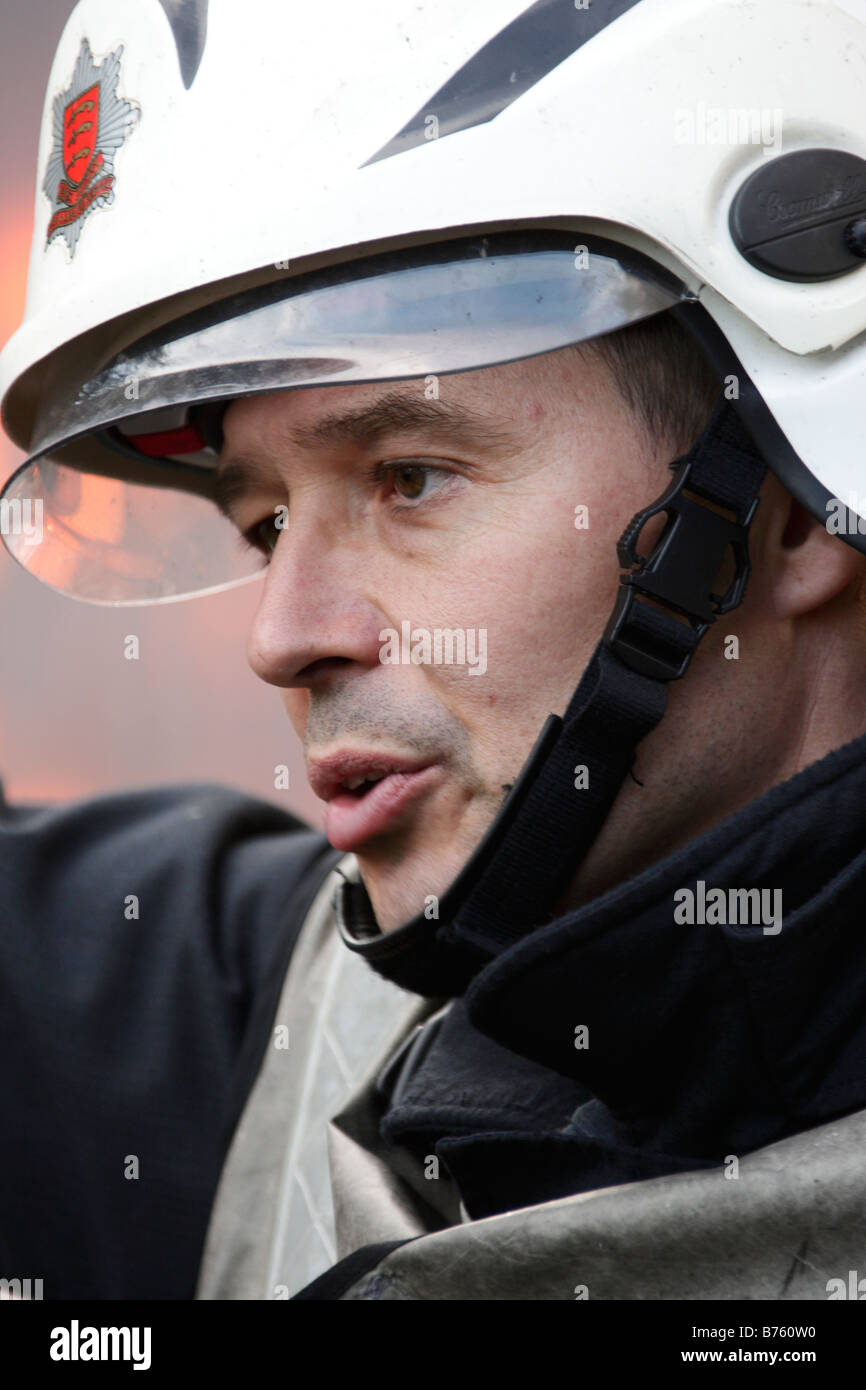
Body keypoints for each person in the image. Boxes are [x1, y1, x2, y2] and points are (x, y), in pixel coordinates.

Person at [2, 0, 866, 1301]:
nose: (281, 637)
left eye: (408, 476)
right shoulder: (224, 1033)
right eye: (265, 523)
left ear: (794, 499)